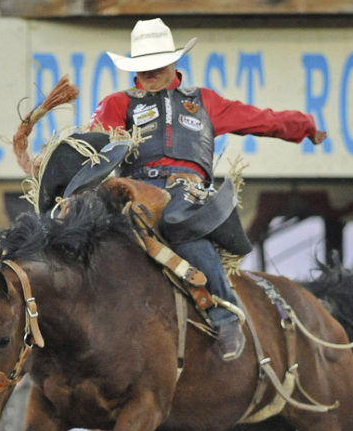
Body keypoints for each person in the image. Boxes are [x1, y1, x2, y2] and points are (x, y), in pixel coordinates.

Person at [89, 18, 327, 361]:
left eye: (157, 62)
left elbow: (261, 119)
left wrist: (305, 127)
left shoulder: (204, 101)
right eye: (144, 64)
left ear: (173, 61)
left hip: (186, 190)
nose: (151, 70)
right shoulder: (118, 103)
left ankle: (225, 314)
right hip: (136, 190)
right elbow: (93, 144)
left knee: (177, 219)